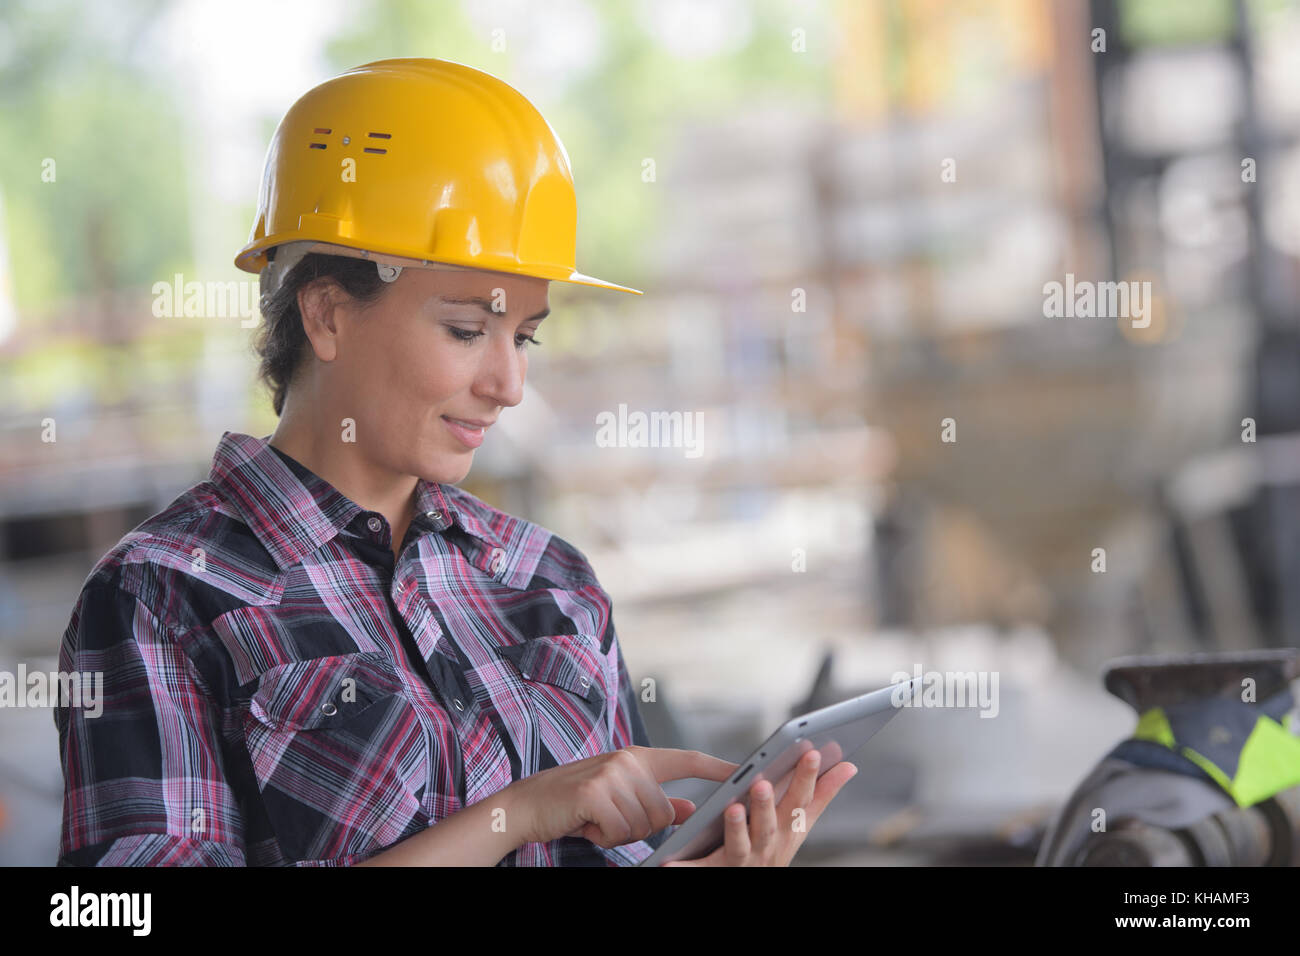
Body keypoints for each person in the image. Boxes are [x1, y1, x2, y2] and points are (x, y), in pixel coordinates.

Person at [53, 57, 857, 866]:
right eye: (469, 330)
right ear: (328, 314)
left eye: (526, 335)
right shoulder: (163, 595)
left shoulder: (551, 583)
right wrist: (519, 814)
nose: (508, 384)